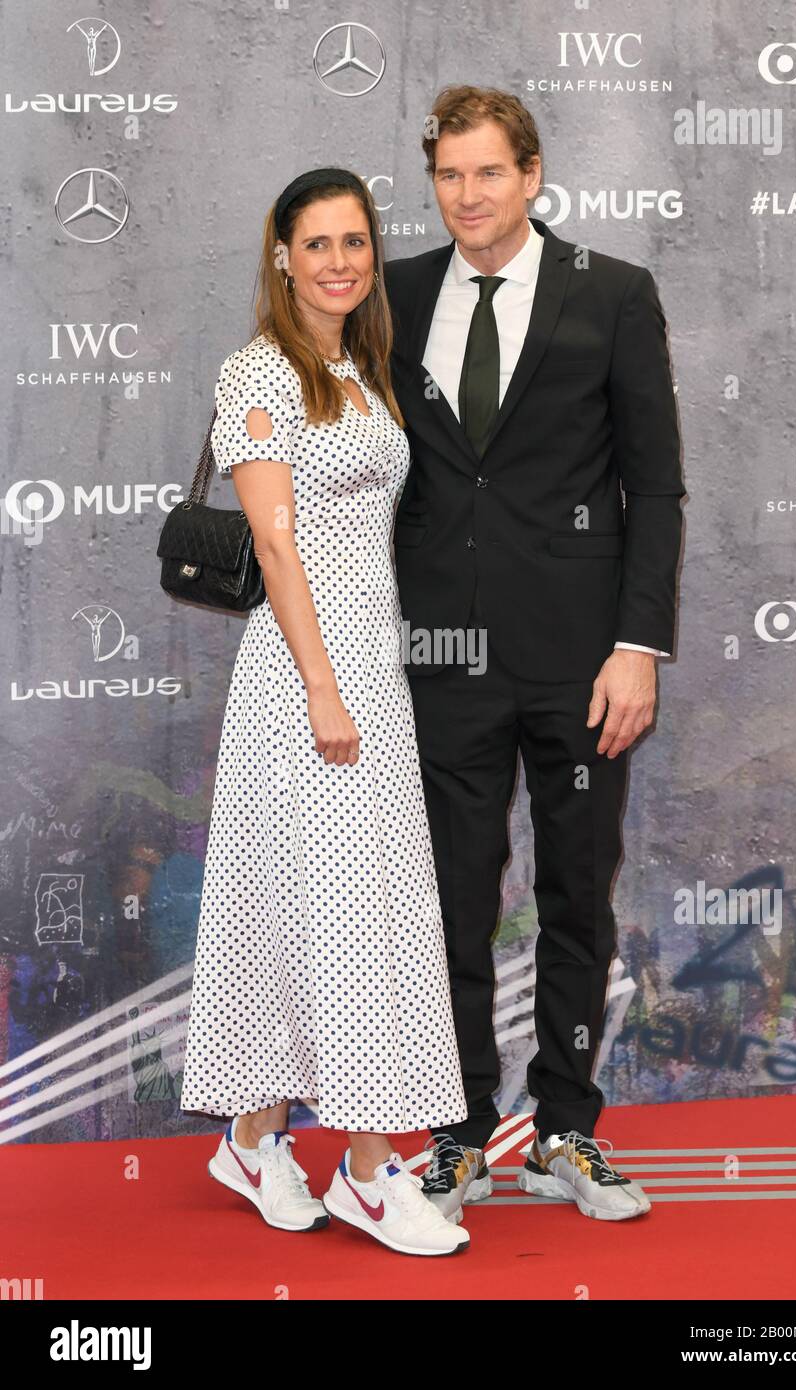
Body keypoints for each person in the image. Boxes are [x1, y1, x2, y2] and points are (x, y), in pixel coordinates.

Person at [383, 87, 686, 1222]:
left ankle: (565, 1126)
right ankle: (458, 1130)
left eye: (488, 174)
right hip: (442, 657)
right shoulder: (395, 293)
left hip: (580, 661)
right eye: (448, 177)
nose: (467, 197)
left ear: (532, 174)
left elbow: (650, 484)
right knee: (452, 900)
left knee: (574, 896)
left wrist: (637, 644)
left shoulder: (610, 294)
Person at [179, 167, 470, 1257]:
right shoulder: (257, 371)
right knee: (344, 913)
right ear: (281, 256)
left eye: (355, 241)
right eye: (317, 243)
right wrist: (319, 685)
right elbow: (275, 541)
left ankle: (253, 1142)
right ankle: (365, 1165)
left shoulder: (359, 367)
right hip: (306, 680)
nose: (340, 261)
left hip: (366, 670)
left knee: (319, 906)